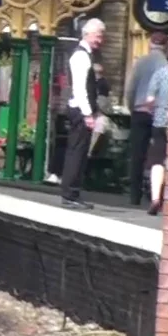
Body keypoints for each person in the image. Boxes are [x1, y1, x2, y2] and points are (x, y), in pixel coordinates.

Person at [60, 18, 106, 210]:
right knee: (77, 152)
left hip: (81, 109)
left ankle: (72, 192)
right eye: (98, 36)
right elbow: (80, 88)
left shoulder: (86, 55)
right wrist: (88, 114)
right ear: (87, 34)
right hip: (80, 110)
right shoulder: (81, 56)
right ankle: (70, 193)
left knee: (78, 151)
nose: (100, 40)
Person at [125, 32, 168, 207]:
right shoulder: (166, 65)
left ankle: (134, 195)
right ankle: (155, 193)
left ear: (150, 43)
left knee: (137, 154)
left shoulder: (140, 62)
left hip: (139, 111)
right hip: (158, 113)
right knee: (159, 154)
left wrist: (132, 107)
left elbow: (130, 88)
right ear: (166, 46)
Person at [143, 59, 168, 215]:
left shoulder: (161, 72)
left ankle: (155, 198)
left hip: (160, 121)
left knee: (157, 160)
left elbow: (149, 99)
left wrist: (153, 110)